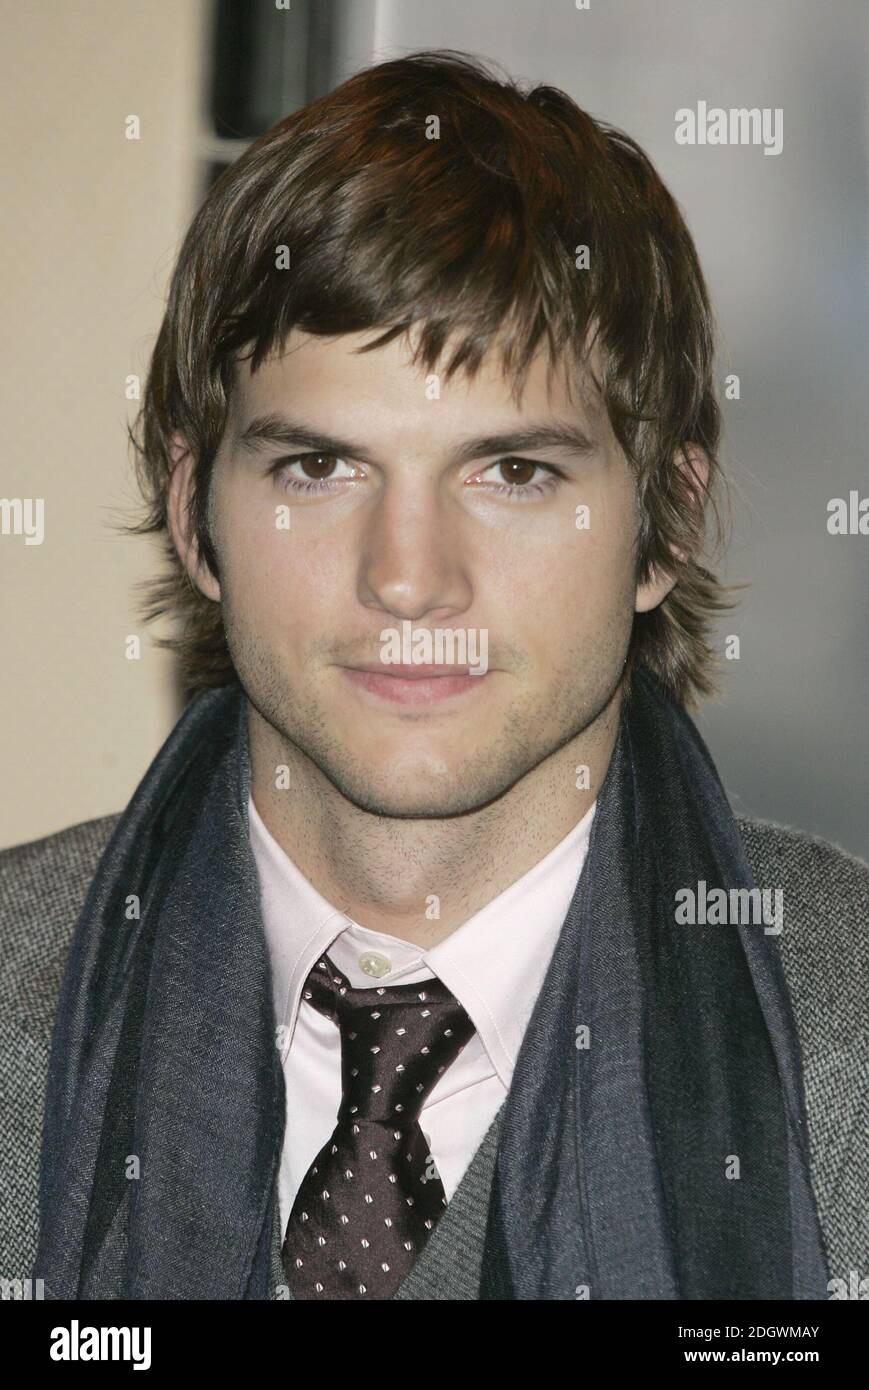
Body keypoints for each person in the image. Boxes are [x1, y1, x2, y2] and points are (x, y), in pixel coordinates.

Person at [1, 50, 865, 1301]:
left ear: (663, 530)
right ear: (195, 517)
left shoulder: (841, 1047)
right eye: (319, 468)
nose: (408, 579)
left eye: (512, 472)